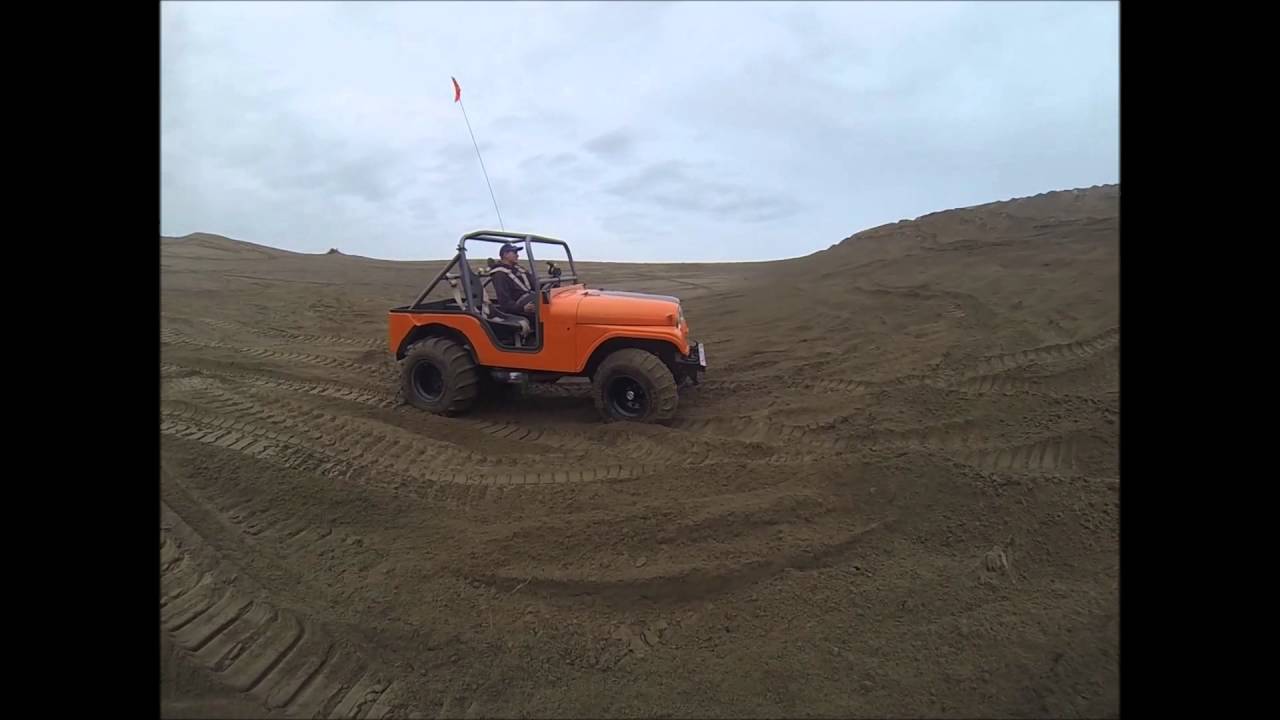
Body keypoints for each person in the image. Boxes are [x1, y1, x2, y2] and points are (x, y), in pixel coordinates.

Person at [489, 243, 536, 320]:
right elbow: (504, 302)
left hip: (531, 299)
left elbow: (535, 285)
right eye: (515, 253)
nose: (517, 255)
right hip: (519, 309)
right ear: (505, 255)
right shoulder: (499, 274)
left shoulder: (520, 269)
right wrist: (522, 308)